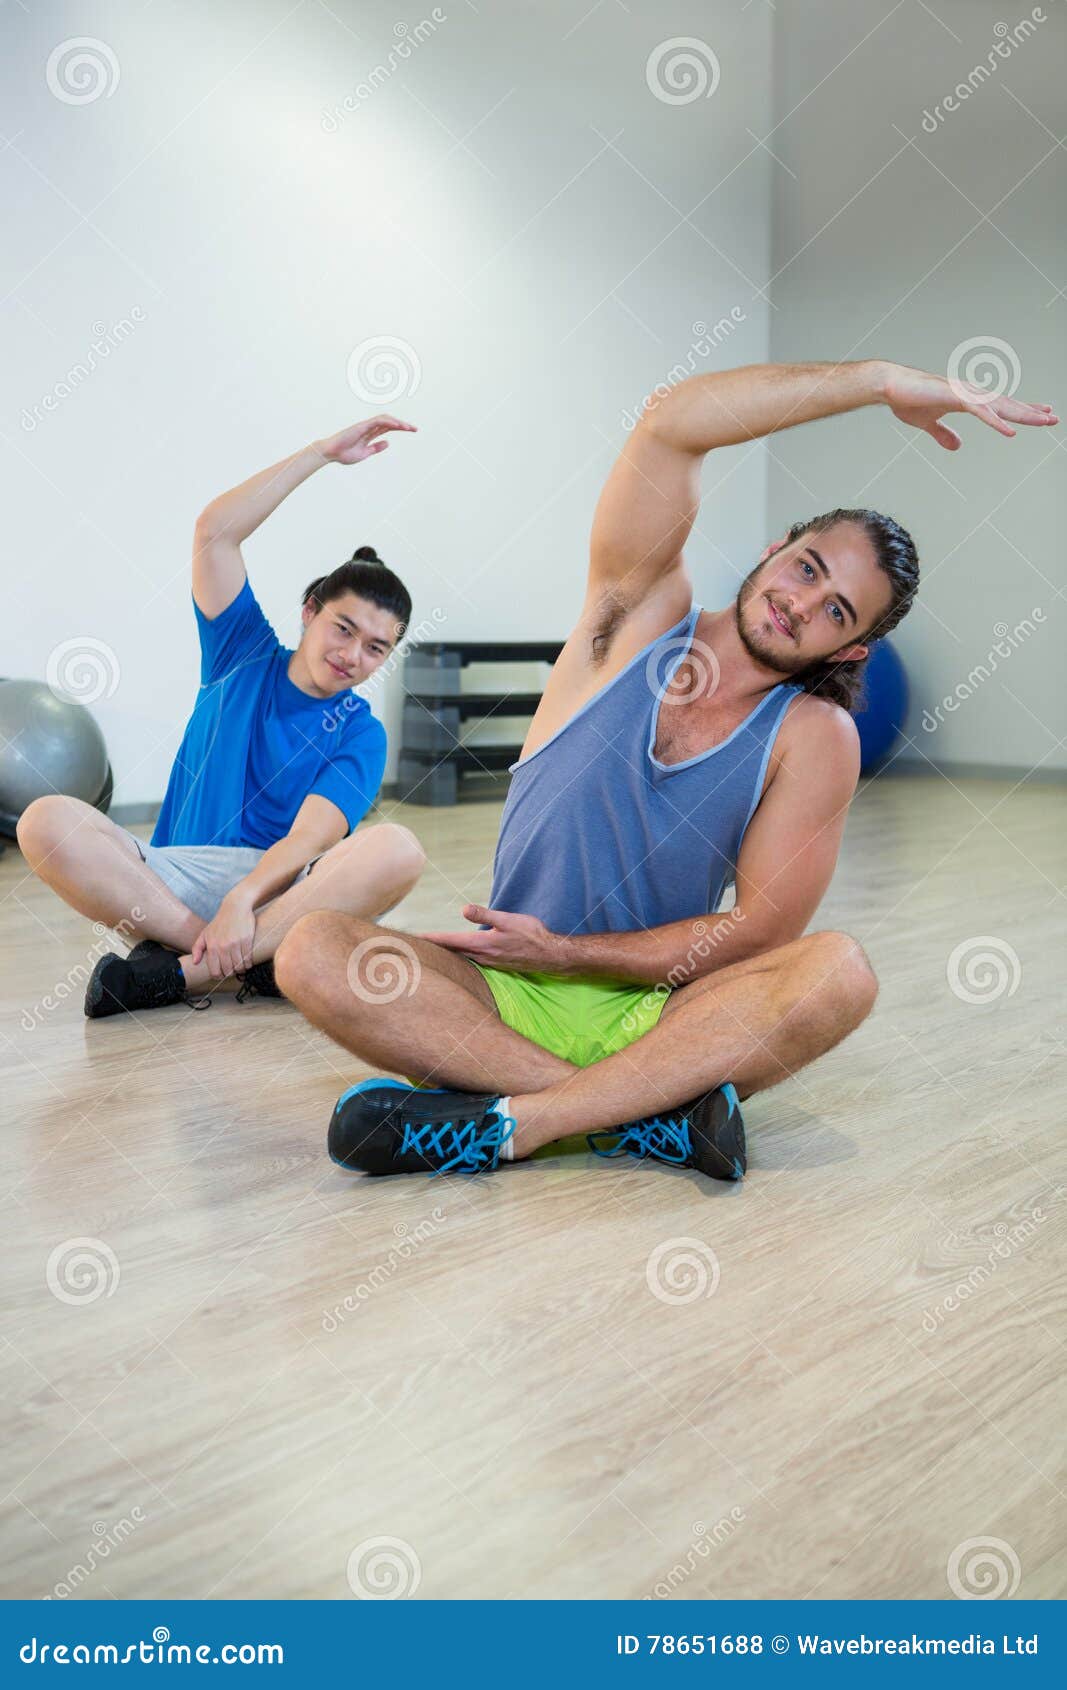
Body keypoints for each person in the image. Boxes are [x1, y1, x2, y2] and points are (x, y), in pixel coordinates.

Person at [272, 359, 1058, 1180]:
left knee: (839, 973)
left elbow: (756, 931)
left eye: (835, 611)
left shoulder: (816, 736)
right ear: (775, 547)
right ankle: (636, 1116)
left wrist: (574, 957)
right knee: (310, 949)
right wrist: (875, 383)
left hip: (658, 1014)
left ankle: (516, 1120)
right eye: (808, 567)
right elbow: (669, 424)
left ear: (850, 648)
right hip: (497, 990)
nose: (800, 602)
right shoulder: (637, 611)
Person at [18, 414, 426, 1019]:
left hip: (282, 893)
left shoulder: (361, 732)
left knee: (399, 849)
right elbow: (215, 532)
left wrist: (243, 898)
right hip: (171, 885)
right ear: (310, 612)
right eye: (344, 628)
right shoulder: (241, 652)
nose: (352, 656)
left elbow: (310, 839)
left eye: (375, 648)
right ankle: (237, 961)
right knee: (44, 820)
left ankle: (175, 974)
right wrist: (319, 454)